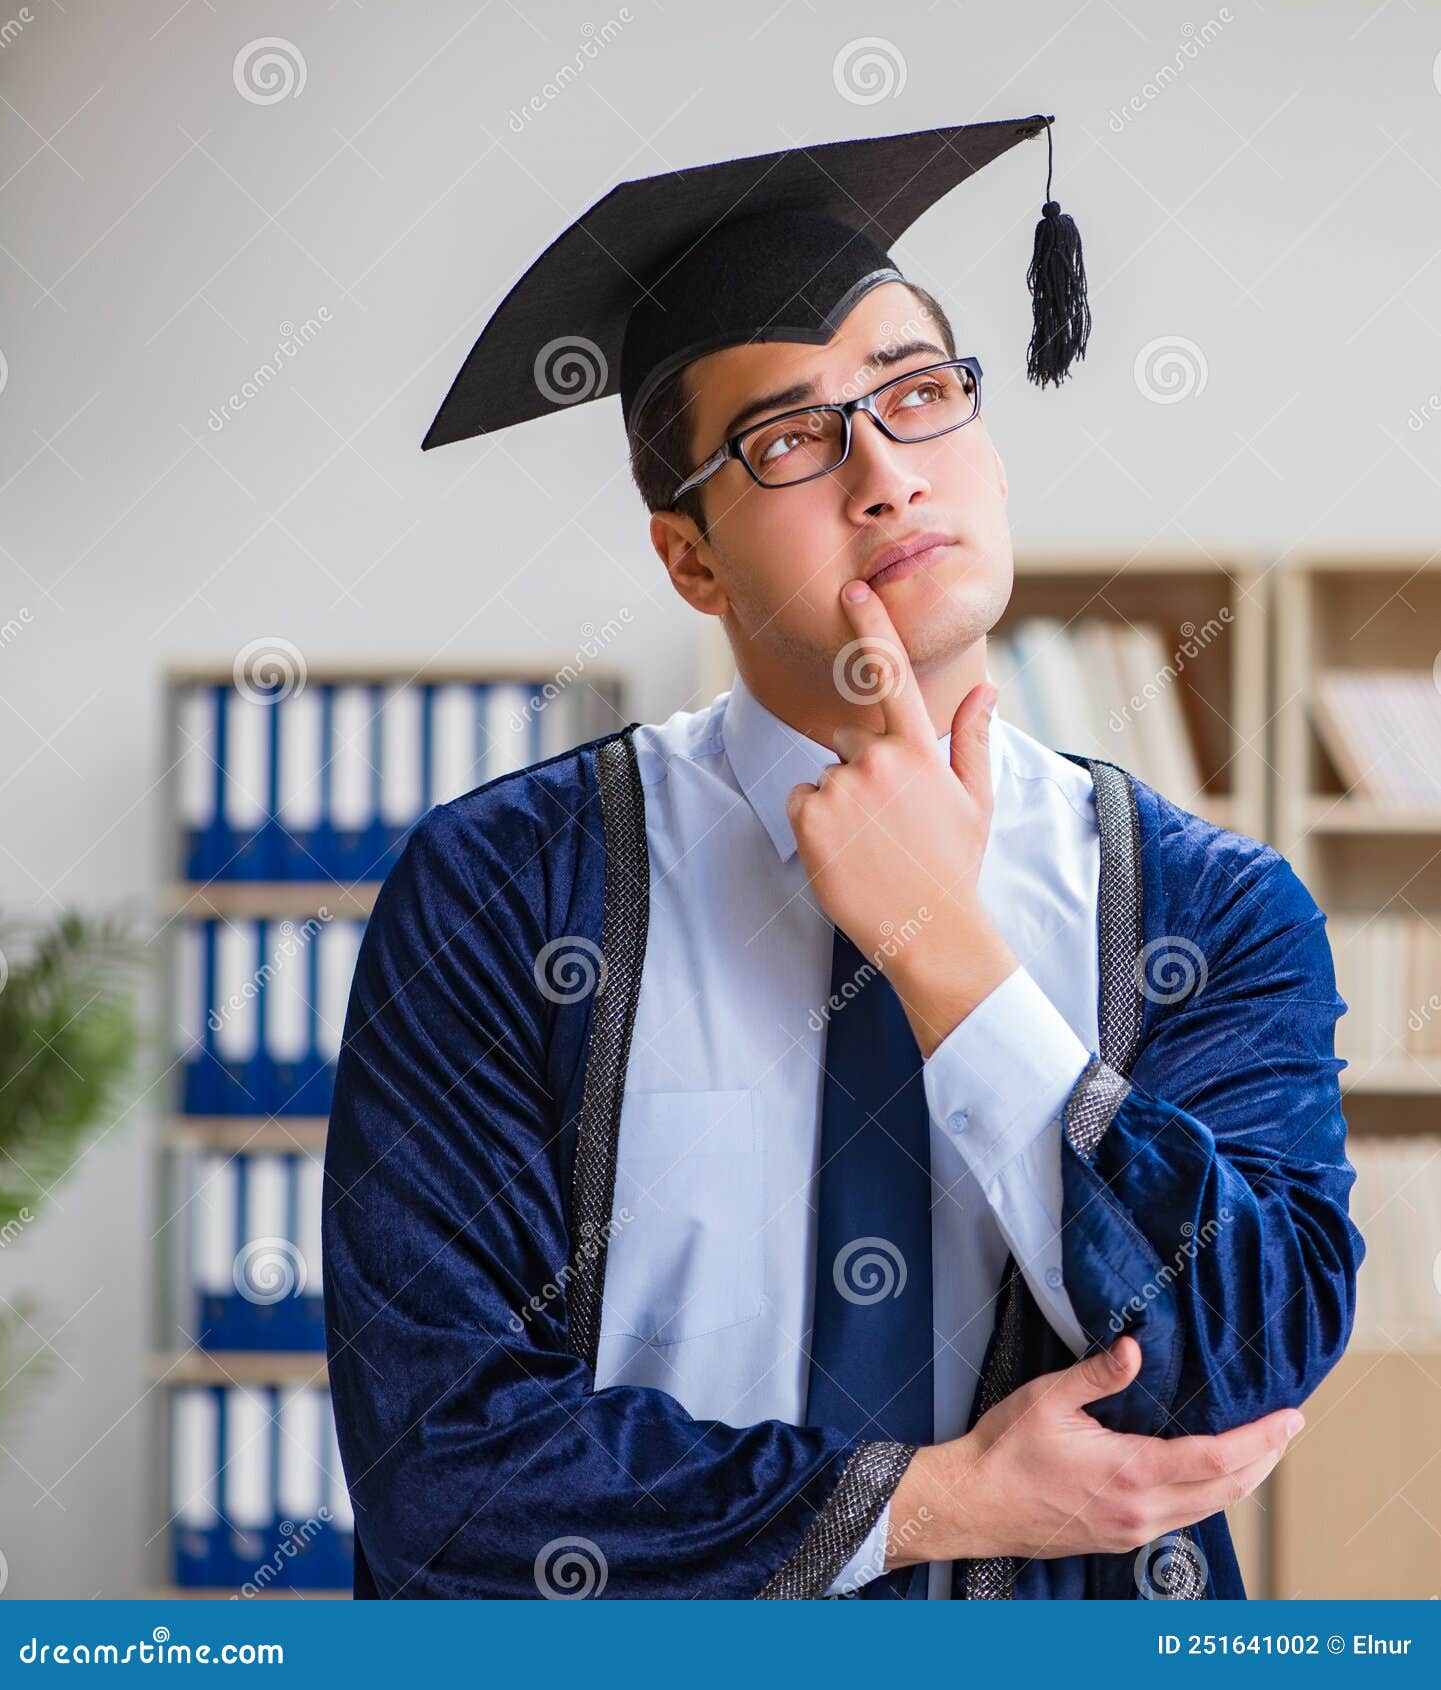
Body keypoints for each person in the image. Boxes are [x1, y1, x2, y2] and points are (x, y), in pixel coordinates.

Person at [321, 116, 1364, 1599]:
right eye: (792, 438)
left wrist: (950, 956)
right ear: (688, 557)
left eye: (919, 394)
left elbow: (1242, 1353)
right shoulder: (504, 889)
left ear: (987, 454)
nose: (883, 474)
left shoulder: (1209, 906)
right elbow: (441, 1470)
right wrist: (932, 1502)